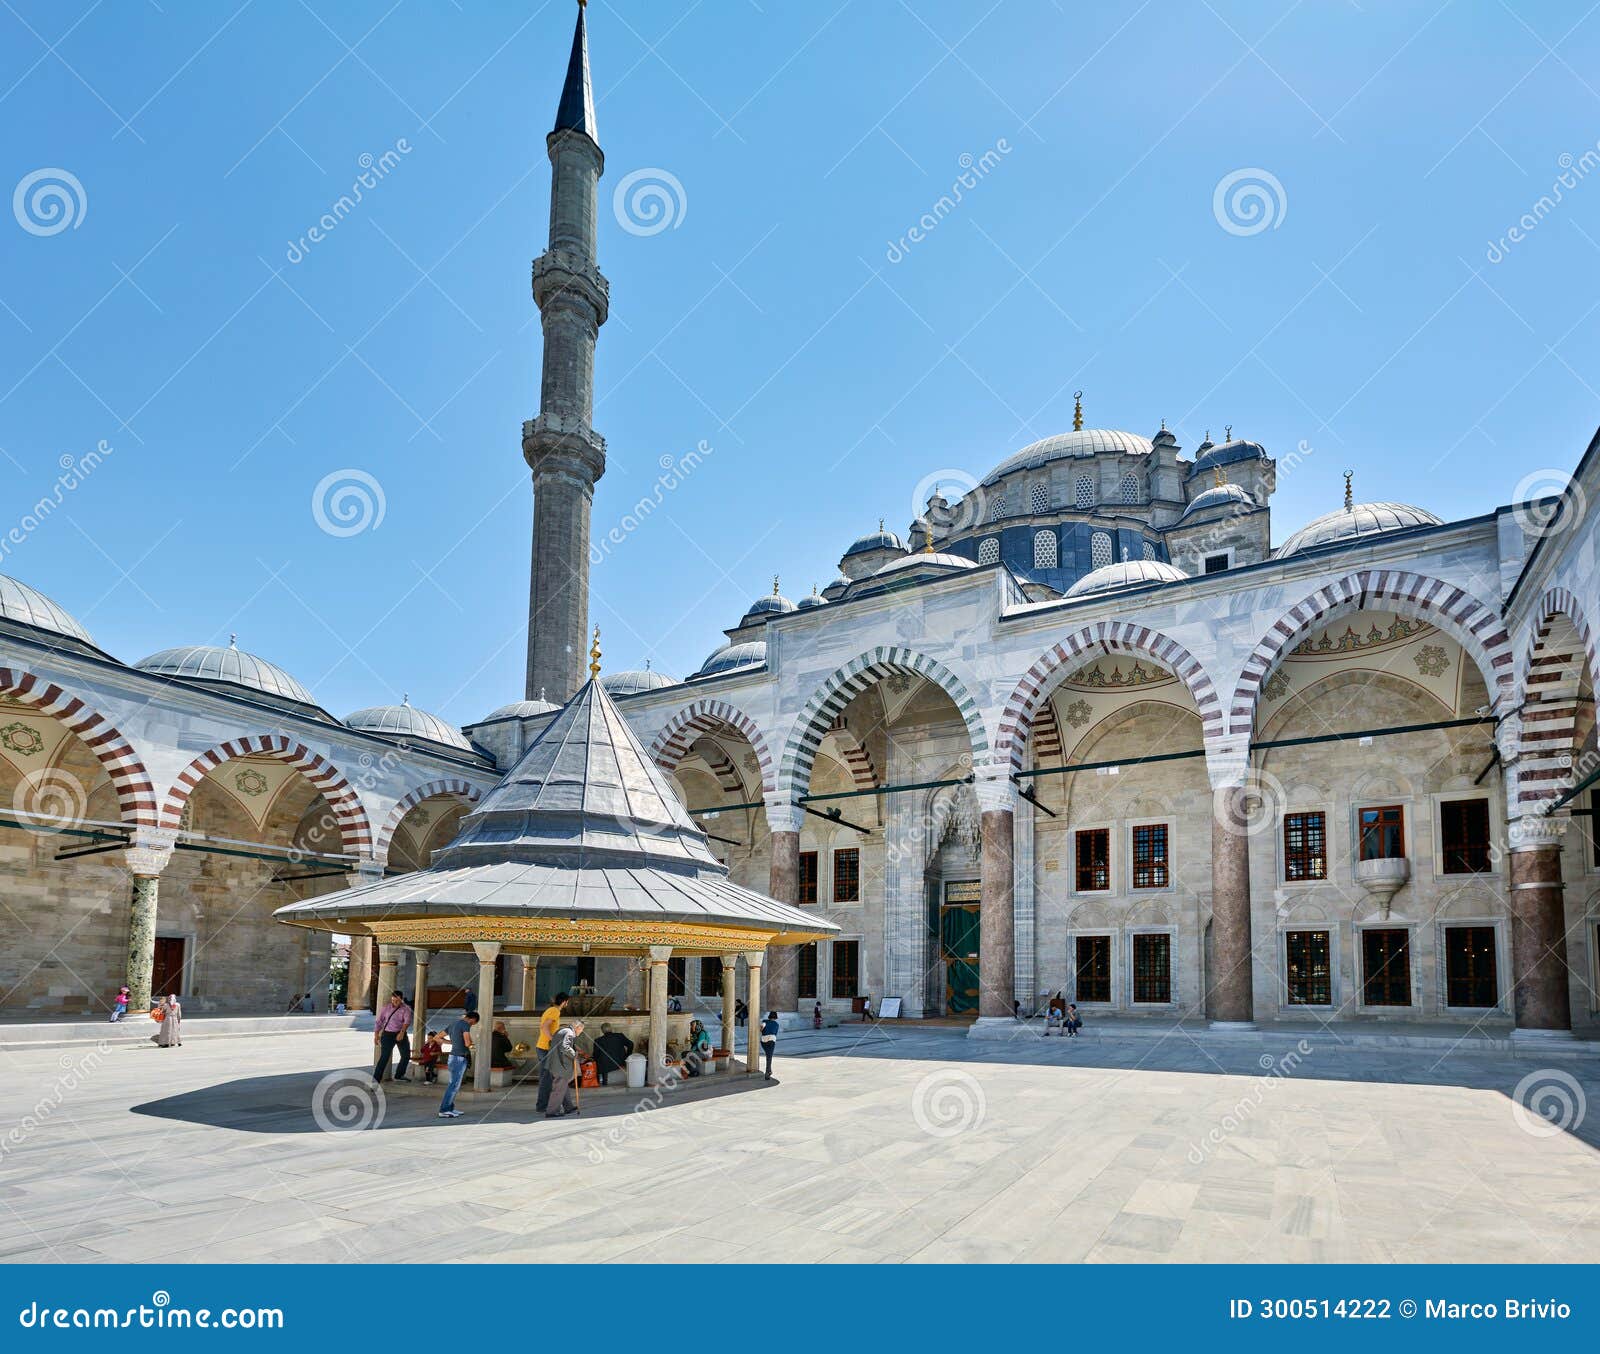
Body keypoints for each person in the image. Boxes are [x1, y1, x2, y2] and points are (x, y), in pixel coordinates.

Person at [439, 1010, 478, 1118]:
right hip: (459, 1058)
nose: (471, 1025)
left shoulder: (453, 1024)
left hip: (452, 1057)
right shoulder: (465, 1025)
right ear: (472, 1019)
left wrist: (452, 1043)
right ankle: (444, 1110)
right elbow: (467, 1043)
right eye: (473, 1023)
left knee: (454, 1084)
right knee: (454, 1085)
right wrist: (471, 1044)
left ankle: (450, 1108)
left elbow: (438, 1037)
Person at [535, 992, 569, 1113]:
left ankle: (565, 1105)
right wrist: (553, 1040)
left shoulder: (550, 1010)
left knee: (552, 1077)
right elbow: (544, 1027)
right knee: (549, 1078)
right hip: (546, 1048)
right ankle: (543, 1106)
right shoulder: (555, 1011)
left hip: (543, 1047)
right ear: (565, 1002)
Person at [544, 1019, 585, 1118]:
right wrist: (574, 1054)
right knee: (559, 1087)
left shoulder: (561, 1030)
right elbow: (565, 1047)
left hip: (555, 1062)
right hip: (560, 1065)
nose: (581, 1032)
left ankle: (568, 1107)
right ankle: (551, 1111)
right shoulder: (570, 1033)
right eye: (581, 1030)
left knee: (563, 1086)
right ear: (577, 1027)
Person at [372, 990, 412, 1082]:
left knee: (406, 1055)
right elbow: (379, 1021)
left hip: (400, 1033)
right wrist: (376, 1035)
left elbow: (407, 1021)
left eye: (397, 1001)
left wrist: (401, 1033)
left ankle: (399, 1075)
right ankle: (376, 1080)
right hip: (387, 1035)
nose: (394, 1002)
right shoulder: (386, 1008)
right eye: (393, 1000)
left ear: (401, 999)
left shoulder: (406, 1008)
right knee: (384, 1057)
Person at [759, 1010, 779, 1079]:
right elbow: (775, 1033)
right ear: (776, 1017)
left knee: (768, 1056)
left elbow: (761, 1028)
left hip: (763, 1041)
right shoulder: (776, 1024)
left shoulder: (765, 1021)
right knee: (769, 1057)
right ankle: (767, 1072)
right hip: (771, 1040)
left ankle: (769, 1070)